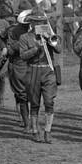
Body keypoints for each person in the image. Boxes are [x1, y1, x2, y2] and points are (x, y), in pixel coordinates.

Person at [19, 9, 61, 143]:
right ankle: (35, 130)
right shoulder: (25, 37)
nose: (39, 24)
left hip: (48, 72)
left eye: (41, 21)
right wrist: (35, 49)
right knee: (34, 103)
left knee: (49, 102)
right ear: (31, 22)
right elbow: (23, 55)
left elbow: (59, 50)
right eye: (36, 22)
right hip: (33, 71)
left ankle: (48, 131)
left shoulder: (49, 35)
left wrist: (50, 39)